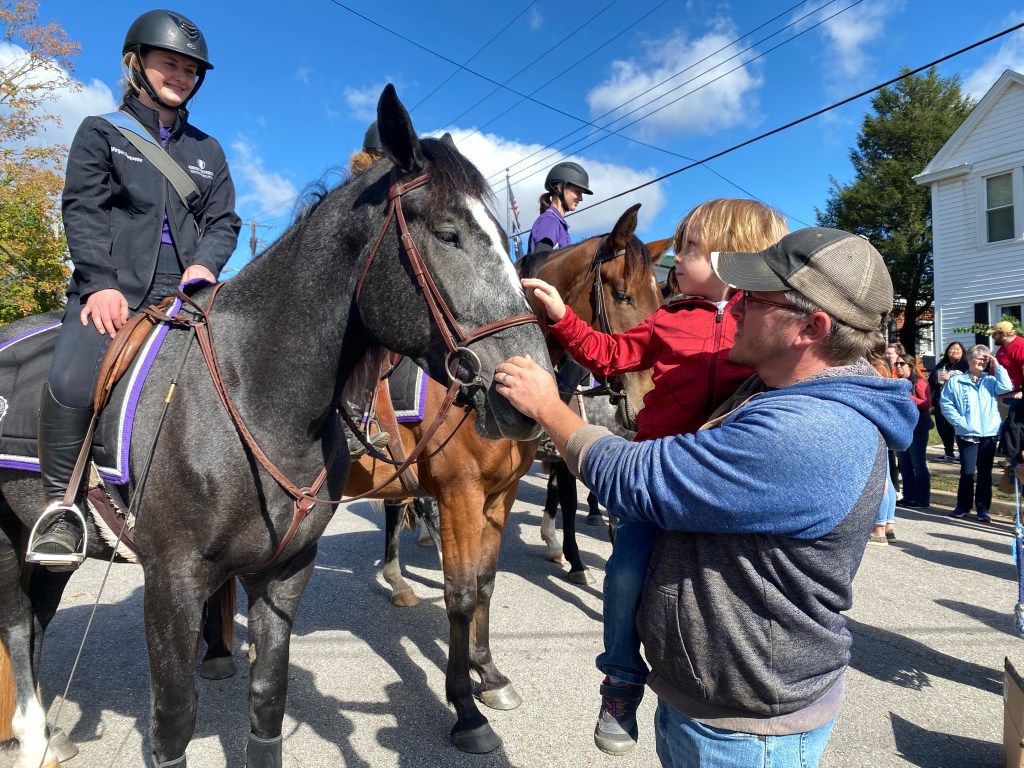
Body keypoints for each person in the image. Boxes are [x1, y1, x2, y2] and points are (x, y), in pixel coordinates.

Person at [496, 226, 916, 768]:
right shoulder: (774, 381)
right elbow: (617, 350)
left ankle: (619, 677)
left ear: (812, 327)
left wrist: (549, 406)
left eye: (754, 299)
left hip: (744, 733)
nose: (736, 306)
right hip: (712, 704)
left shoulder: (812, 432)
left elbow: (633, 478)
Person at [522, 198, 788, 754]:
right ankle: (620, 680)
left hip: (723, 471)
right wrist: (561, 316)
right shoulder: (668, 317)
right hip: (658, 467)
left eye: (689, 249)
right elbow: (610, 353)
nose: (675, 259)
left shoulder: (760, 323)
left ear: (730, 260)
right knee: (623, 572)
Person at [27, 9, 242, 569]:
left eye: (191, 69)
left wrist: (205, 265)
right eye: (168, 63)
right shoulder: (101, 131)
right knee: (73, 376)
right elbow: (83, 206)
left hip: (187, 294)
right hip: (114, 290)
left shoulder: (208, 150)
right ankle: (59, 508)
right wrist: (97, 283)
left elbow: (224, 222)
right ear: (136, 64)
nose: (180, 75)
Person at [940, 344, 1012, 523]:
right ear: (969, 359)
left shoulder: (991, 380)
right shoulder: (957, 381)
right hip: (967, 432)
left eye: (986, 358)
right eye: (980, 357)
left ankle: (983, 508)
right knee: (967, 471)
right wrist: (960, 422)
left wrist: (997, 365)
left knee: (985, 472)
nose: (983, 361)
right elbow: (946, 404)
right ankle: (962, 506)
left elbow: (1007, 387)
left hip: (989, 433)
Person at [893, 353, 933, 508]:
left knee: (918, 464)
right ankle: (908, 496)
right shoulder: (899, 383)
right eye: (896, 364)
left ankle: (922, 499)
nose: (898, 367)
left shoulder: (920, 383)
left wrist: (907, 397)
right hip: (903, 427)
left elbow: (926, 403)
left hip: (919, 428)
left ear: (910, 365)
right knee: (904, 464)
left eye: (901, 364)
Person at [929, 341, 968, 462]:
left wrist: (951, 377)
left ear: (963, 352)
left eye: (958, 349)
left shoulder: (964, 365)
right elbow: (931, 381)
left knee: (956, 426)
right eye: (952, 349)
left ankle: (963, 453)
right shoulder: (941, 364)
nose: (955, 351)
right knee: (943, 426)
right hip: (940, 398)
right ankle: (948, 452)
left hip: (957, 400)